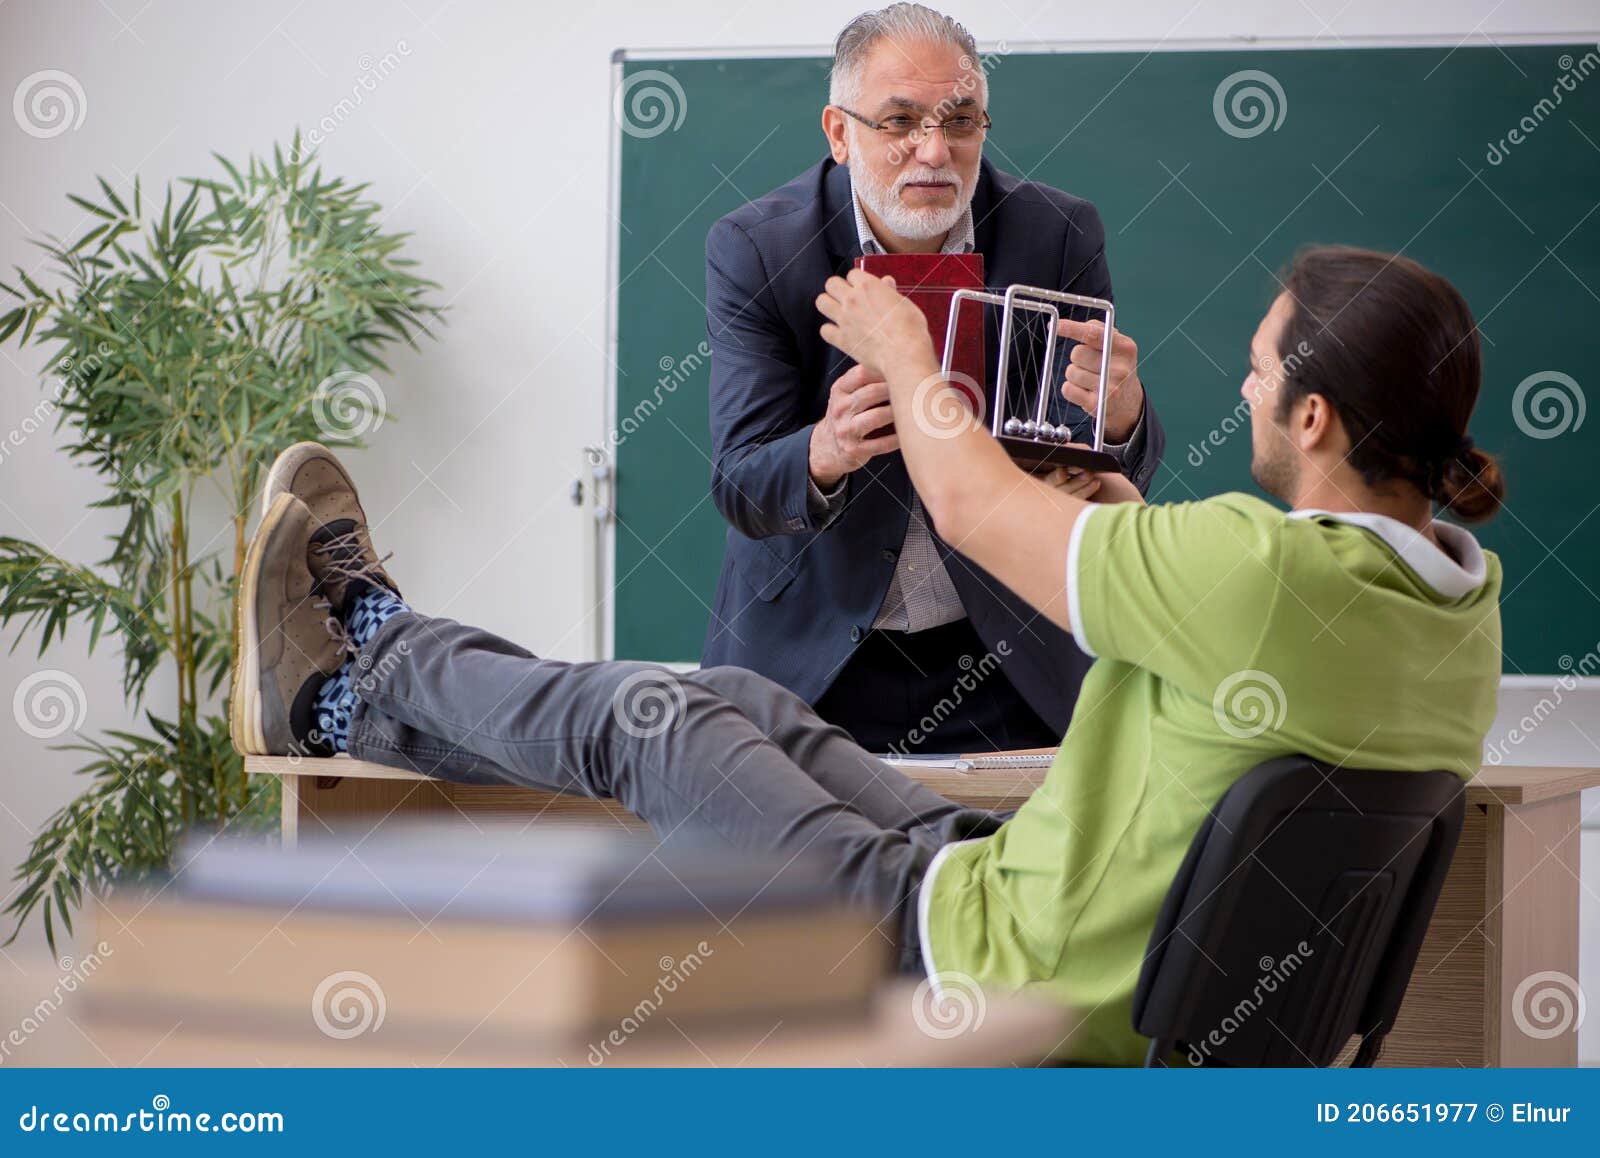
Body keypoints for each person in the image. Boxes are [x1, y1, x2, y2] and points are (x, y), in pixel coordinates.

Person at [232, 245, 1503, 1065]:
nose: (1241, 392)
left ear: (1314, 416)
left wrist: (904, 351)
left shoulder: (1257, 570)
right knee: (735, 700)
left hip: (985, 961)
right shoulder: (1452, 606)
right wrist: (1119, 519)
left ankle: (375, 650)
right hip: (1056, 922)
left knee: (650, 727)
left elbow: (970, 509)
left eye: (1258, 372)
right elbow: (1238, 649)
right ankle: (341, 704)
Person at [701, 4, 1165, 753]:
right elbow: (741, 484)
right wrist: (823, 451)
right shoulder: (758, 248)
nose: (934, 151)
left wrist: (1120, 419)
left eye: (960, 121)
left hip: (1008, 651)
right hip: (815, 654)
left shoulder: (1056, 232)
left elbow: (1106, 475)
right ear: (839, 133)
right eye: (900, 121)